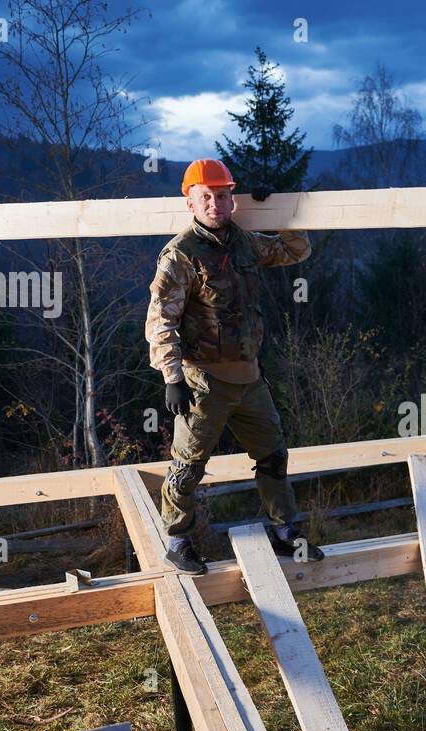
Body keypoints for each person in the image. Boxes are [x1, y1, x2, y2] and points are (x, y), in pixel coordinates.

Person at [144, 157, 323, 575]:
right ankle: (178, 540)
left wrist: (278, 210)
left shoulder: (245, 243)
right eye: (205, 197)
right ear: (190, 203)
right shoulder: (179, 255)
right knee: (188, 466)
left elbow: (296, 250)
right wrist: (172, 377)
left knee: (273, 455)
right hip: (203, 380)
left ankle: (284, 531)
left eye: (222, 195)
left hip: (249, 377)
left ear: (231, 200)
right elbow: (160, 320)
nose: (214, 204)